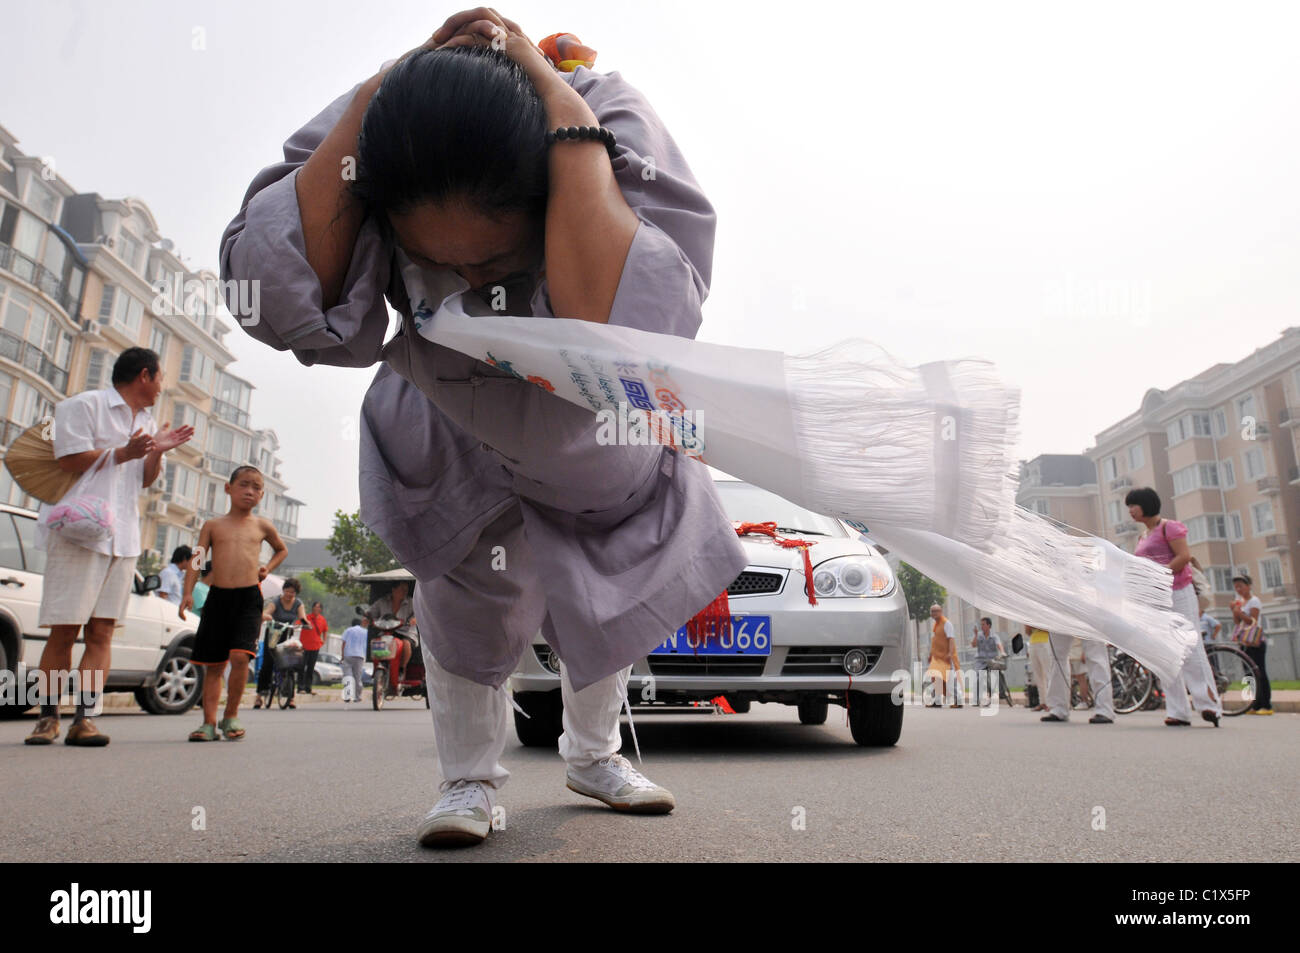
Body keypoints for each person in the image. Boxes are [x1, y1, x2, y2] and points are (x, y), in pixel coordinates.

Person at [221, 11, 729, 846]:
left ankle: (595, 753)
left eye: (490, 262)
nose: (465, 276)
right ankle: (464, 782)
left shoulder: (604, 110)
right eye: (440, 259)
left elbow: (640, 320)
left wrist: (560, 105)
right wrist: (379, 95)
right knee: (464, 599)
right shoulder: (382, 122)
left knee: (607, 592)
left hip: (590, 437)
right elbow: (276, 297)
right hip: (453, 425)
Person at [25, 347, 194, 746]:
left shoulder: (149, 421)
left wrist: (157, 452)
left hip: (124, 538)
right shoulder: (84, 405)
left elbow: (145, 480)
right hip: (79, 533)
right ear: (144, 376)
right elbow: (68, 459)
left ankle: (85, 720)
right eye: (160, 378)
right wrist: (124, 452)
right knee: (64, 631)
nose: (161, 387)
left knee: (101, 633)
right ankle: (47, 718)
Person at [181, 465, 289, 741]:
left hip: (248, 598)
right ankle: (208, 722)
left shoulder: (262, 525)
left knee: (240, 658)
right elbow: (197, 558)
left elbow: (281, 549)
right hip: (218, 598)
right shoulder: (213, 525)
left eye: (256, 487)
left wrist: (268, 567)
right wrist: (188, 592)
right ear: (229, 488)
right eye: (244, 485)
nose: (249, 491)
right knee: (214, 665)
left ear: (262, 494)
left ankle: (230, 716)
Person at [1125, 487, 1221, 727]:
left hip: (1178, 591)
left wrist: (1159, 575)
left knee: (1190, 646)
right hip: (1155, 598)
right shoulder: (1142, 537)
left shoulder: (1170, 527)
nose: (1130, 511)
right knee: (1164, 652)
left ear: (1146, 504)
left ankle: (1208, 705)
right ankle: (1178, 710)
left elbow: (1184, 557)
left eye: (1133, 505)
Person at [1040, 629, 1115, 724]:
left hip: (1088, 614)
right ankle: (1058, 708)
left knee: (1095, 653)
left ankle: (1104, 709)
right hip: (1060, 615)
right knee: (1057, 658)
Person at [256, 576, 307, 709]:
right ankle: (259, 696)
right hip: (274, 632)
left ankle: (290, 697)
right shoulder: (276, 601)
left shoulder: (298, 603)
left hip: (288, 633)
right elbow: (267, 612)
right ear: (283, 590)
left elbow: (302, 616)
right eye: (288, 591)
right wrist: (266, 616)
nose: (289, 594)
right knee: (268, 662)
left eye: (293, 592)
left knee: (291, 662)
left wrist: (305, 623)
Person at [1230, 574, 1272, 715]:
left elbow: (1252, 621)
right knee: (1248, 673)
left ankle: (1266, 705)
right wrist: (1235, 612)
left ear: (1248, 586)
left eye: (1241, 586)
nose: (1239, 589)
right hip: (1244, 641)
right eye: (1236, 587)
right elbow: (1238, 622)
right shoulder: (1240, 602)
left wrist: (1240, 613)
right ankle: (1254, 704)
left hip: (1255, 641)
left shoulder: (1254, 601)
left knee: (1260, 672)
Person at [366, 580, 415, 694]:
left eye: (406, 590)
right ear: (393, 589)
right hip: (386, 631)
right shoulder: (382, 602)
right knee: (376, 642)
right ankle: (379, 666)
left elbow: (419, 613)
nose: (404, 592)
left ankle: (402, 669)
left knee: (406, 644)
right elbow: (371, 612)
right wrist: (366, 617)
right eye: (401, 589)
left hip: (406, 632)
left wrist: (414, 620)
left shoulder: (412, 602)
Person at [926, 604, 962, 707]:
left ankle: (958, 700)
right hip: (937, 658)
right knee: (936, 679)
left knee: (950, 680)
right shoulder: (936, 625)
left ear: (941, 611)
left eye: (936, 611)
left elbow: (951, 639)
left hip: (946, 657)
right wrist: (930, 654)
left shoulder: (946, 623)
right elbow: (935, 641)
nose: (934, 613)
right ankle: (937, 701)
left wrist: (950, 653)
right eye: (932, 611)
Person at [969, 616, 1006, 707]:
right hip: (980, 661)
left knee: (999, 674)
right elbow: (973, 645)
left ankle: (1002, 692)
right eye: (981, 625)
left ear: (989, 625)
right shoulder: (979, 635)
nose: (982, 626)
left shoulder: (994, 636)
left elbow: (999, 645)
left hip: (992, 660)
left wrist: (1002, 652)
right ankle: (976, 700)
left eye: (983, 624)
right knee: (978, 677)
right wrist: (976, 634)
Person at [300, 600, 329, 693]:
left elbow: (325, 631)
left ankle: (308, 688)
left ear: (321, 609)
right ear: (312, 608)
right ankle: (300, 688)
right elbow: (297, 624)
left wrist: (323, 640)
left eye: (319, 607)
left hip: (315, 647)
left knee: (311, 668)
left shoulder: (322, 619)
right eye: (315, 607)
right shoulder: (306, 618)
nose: (317, 609)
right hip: (304, 646)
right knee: (302, 667)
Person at [341, 615, 370, 704]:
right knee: (357, 677)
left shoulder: (348, 630)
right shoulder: (365, 632)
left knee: (348, 675)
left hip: (348, 655)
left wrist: (342, 656)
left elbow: (344, 643)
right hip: (359, 656)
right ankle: (357, 697)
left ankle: (347, 695)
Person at [1025, 623, 1052, 711]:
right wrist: (1028, 625)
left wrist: (1036, 624)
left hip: (1045, 642)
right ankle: (1042, 702)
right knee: (1038, 676)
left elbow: (1048, 628)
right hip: (1033, 643)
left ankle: (1051, 702)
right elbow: (1028, 632)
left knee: (1048, 674)